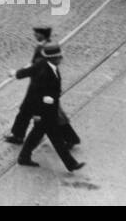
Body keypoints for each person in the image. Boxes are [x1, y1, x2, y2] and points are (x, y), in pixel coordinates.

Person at [16, 42, 84, 172]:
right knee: (55, 138)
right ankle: (71, 164)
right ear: (52, 58)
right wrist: (38, 110)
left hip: (49, 112)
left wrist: (17, 74)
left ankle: (24, 157)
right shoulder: (44, 71)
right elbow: (34, 94)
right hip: (43, 112)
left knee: (37, 135)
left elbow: (27, 71)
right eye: (59, 57)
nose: (61, 59)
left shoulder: (49, 66)